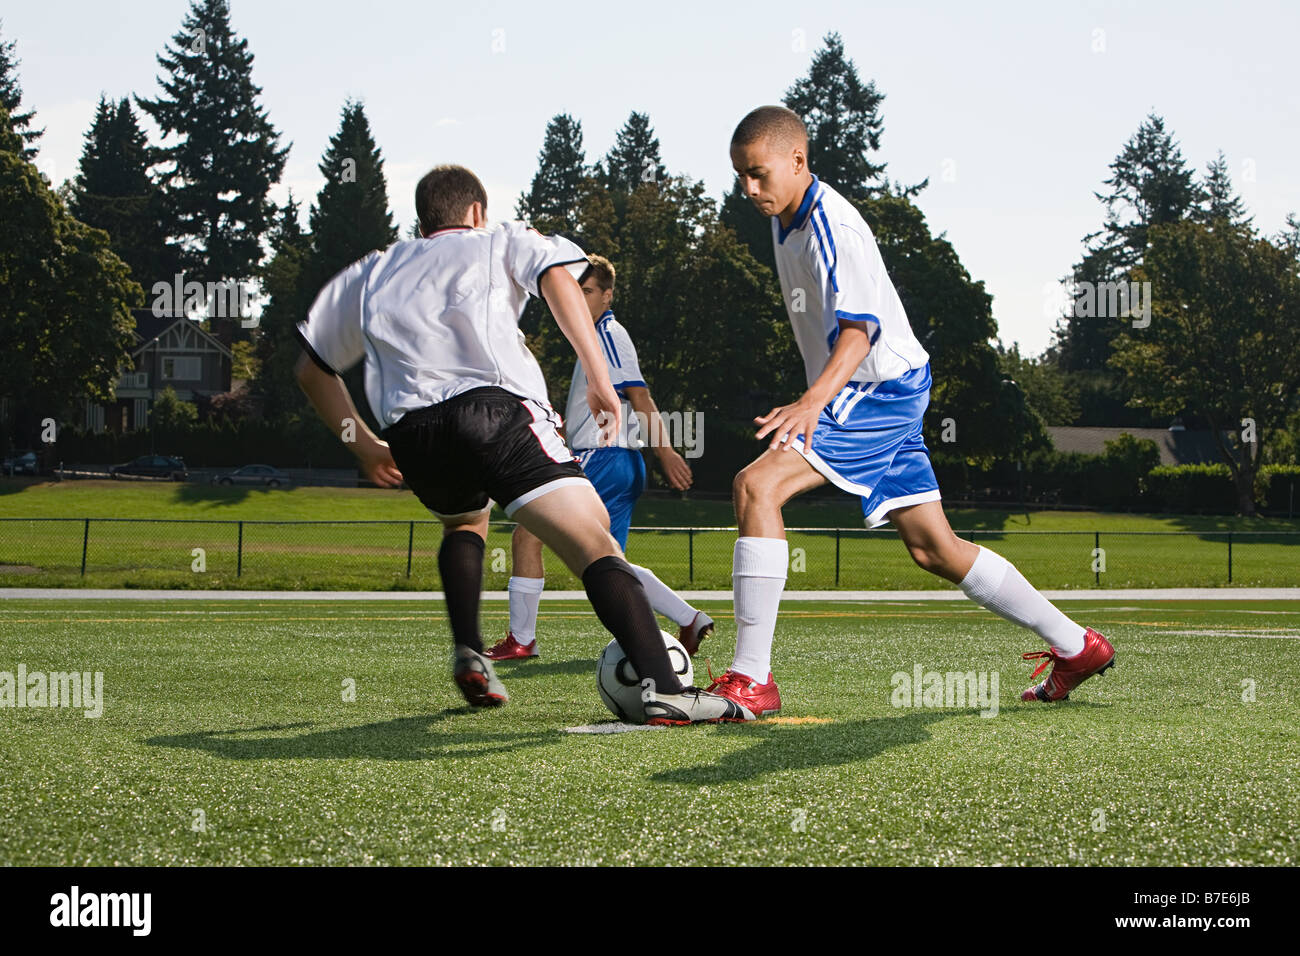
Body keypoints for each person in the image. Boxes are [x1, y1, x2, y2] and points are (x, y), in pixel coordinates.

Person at [293, 164, 742, 725]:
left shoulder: (373, 270)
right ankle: (664, 688)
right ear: (476, 212)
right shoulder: (501, 238)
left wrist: (364, 445)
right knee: (593, 542)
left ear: (423, 218)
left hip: (413, 434)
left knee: (464, 523)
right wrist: (599, 375)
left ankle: (470, 650)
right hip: (494, 412)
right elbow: (557, 276)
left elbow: (312, 369)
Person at [707, 106, 1115, 719]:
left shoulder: (830, 227)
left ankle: (751, 680)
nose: (748, 190)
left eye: (759, 175)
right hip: (894, 383)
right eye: (741, 176)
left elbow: (859, 332)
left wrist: (813, 401)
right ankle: (1077, 646)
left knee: (756, 486)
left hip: (878, 387)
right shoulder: (784, 216)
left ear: (799, 160)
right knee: (934, 548)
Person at [486, 254, 714, 661]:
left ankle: (522, 640)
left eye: (588, 290)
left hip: (603, 457)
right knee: (609, 562)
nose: (580, 296)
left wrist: (667, 451)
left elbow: (640, 397)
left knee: (527, 533)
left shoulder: (608, 335)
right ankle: (689, 618)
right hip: (618, 462)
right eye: (576, 288)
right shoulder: (592, 336)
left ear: (607, 295)